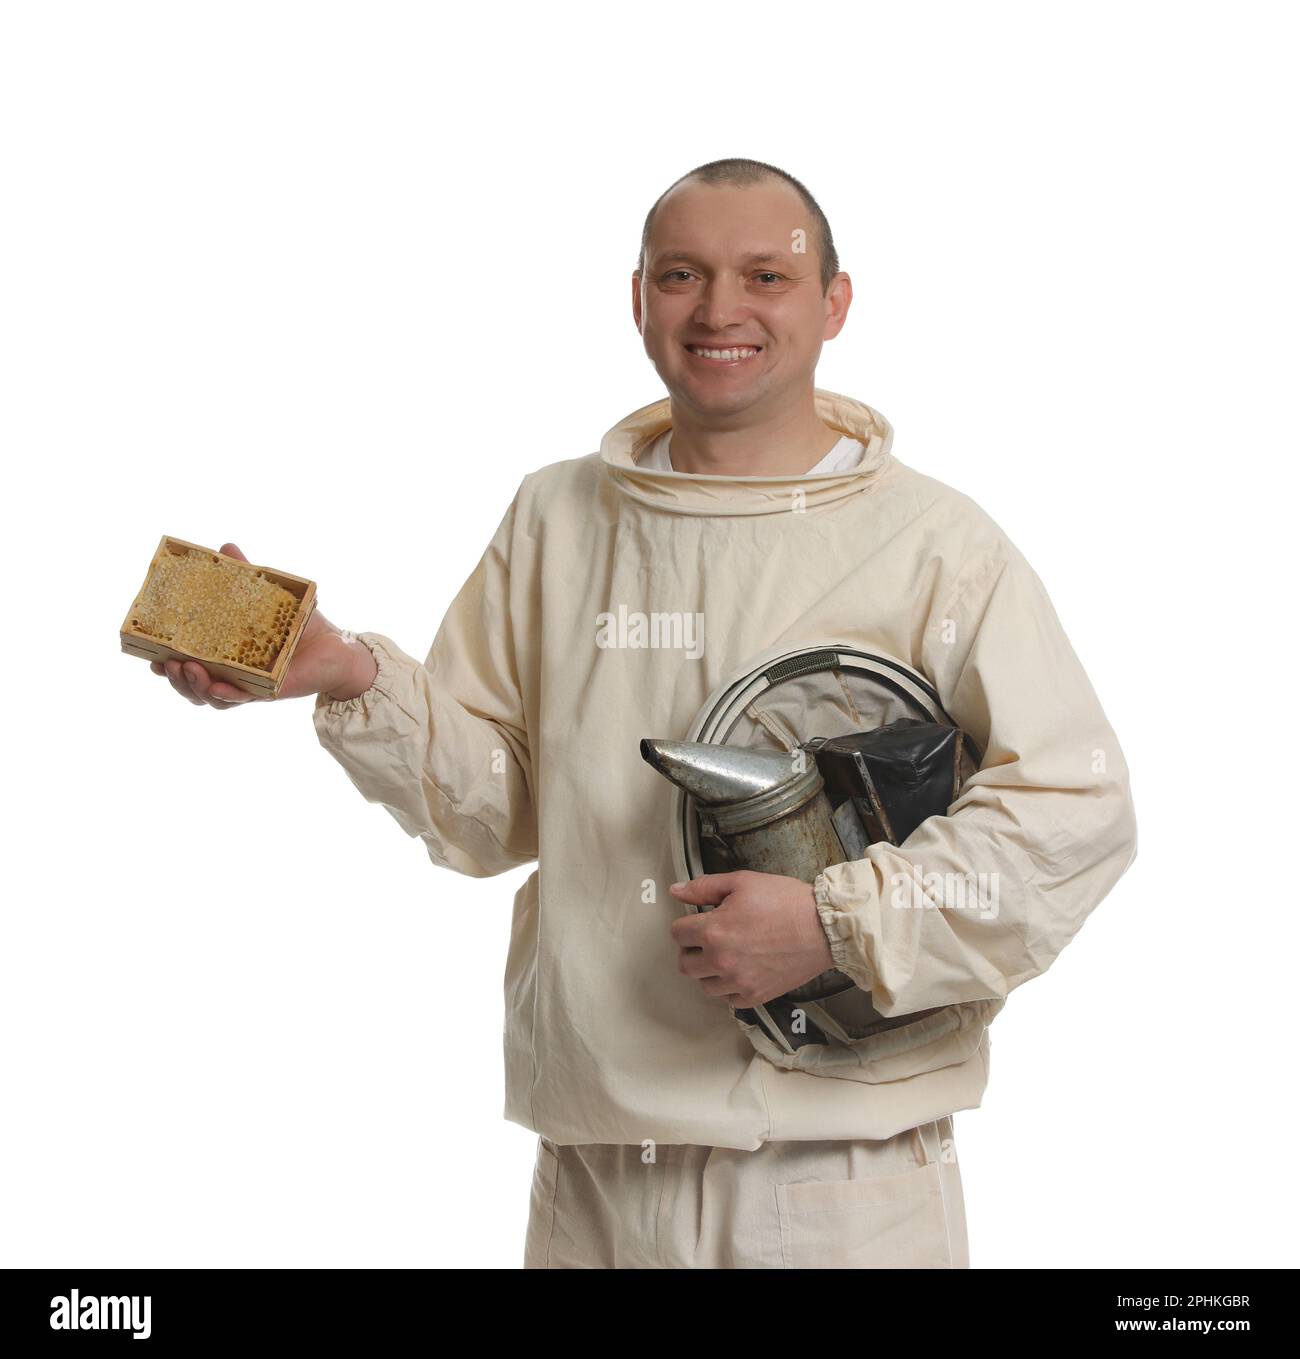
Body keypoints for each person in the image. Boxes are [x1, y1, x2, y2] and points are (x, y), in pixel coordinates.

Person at [152, 158, 1138, 1269]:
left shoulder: (935, 544)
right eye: (683, 275)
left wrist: (834, 920)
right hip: (594, 1177)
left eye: (765, 274)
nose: (720, 310)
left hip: (832, 1184)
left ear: (833, 304)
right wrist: (344, 673)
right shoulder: (557, 516)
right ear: (637, 298)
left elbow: (1074, 813)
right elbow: (494, 816)